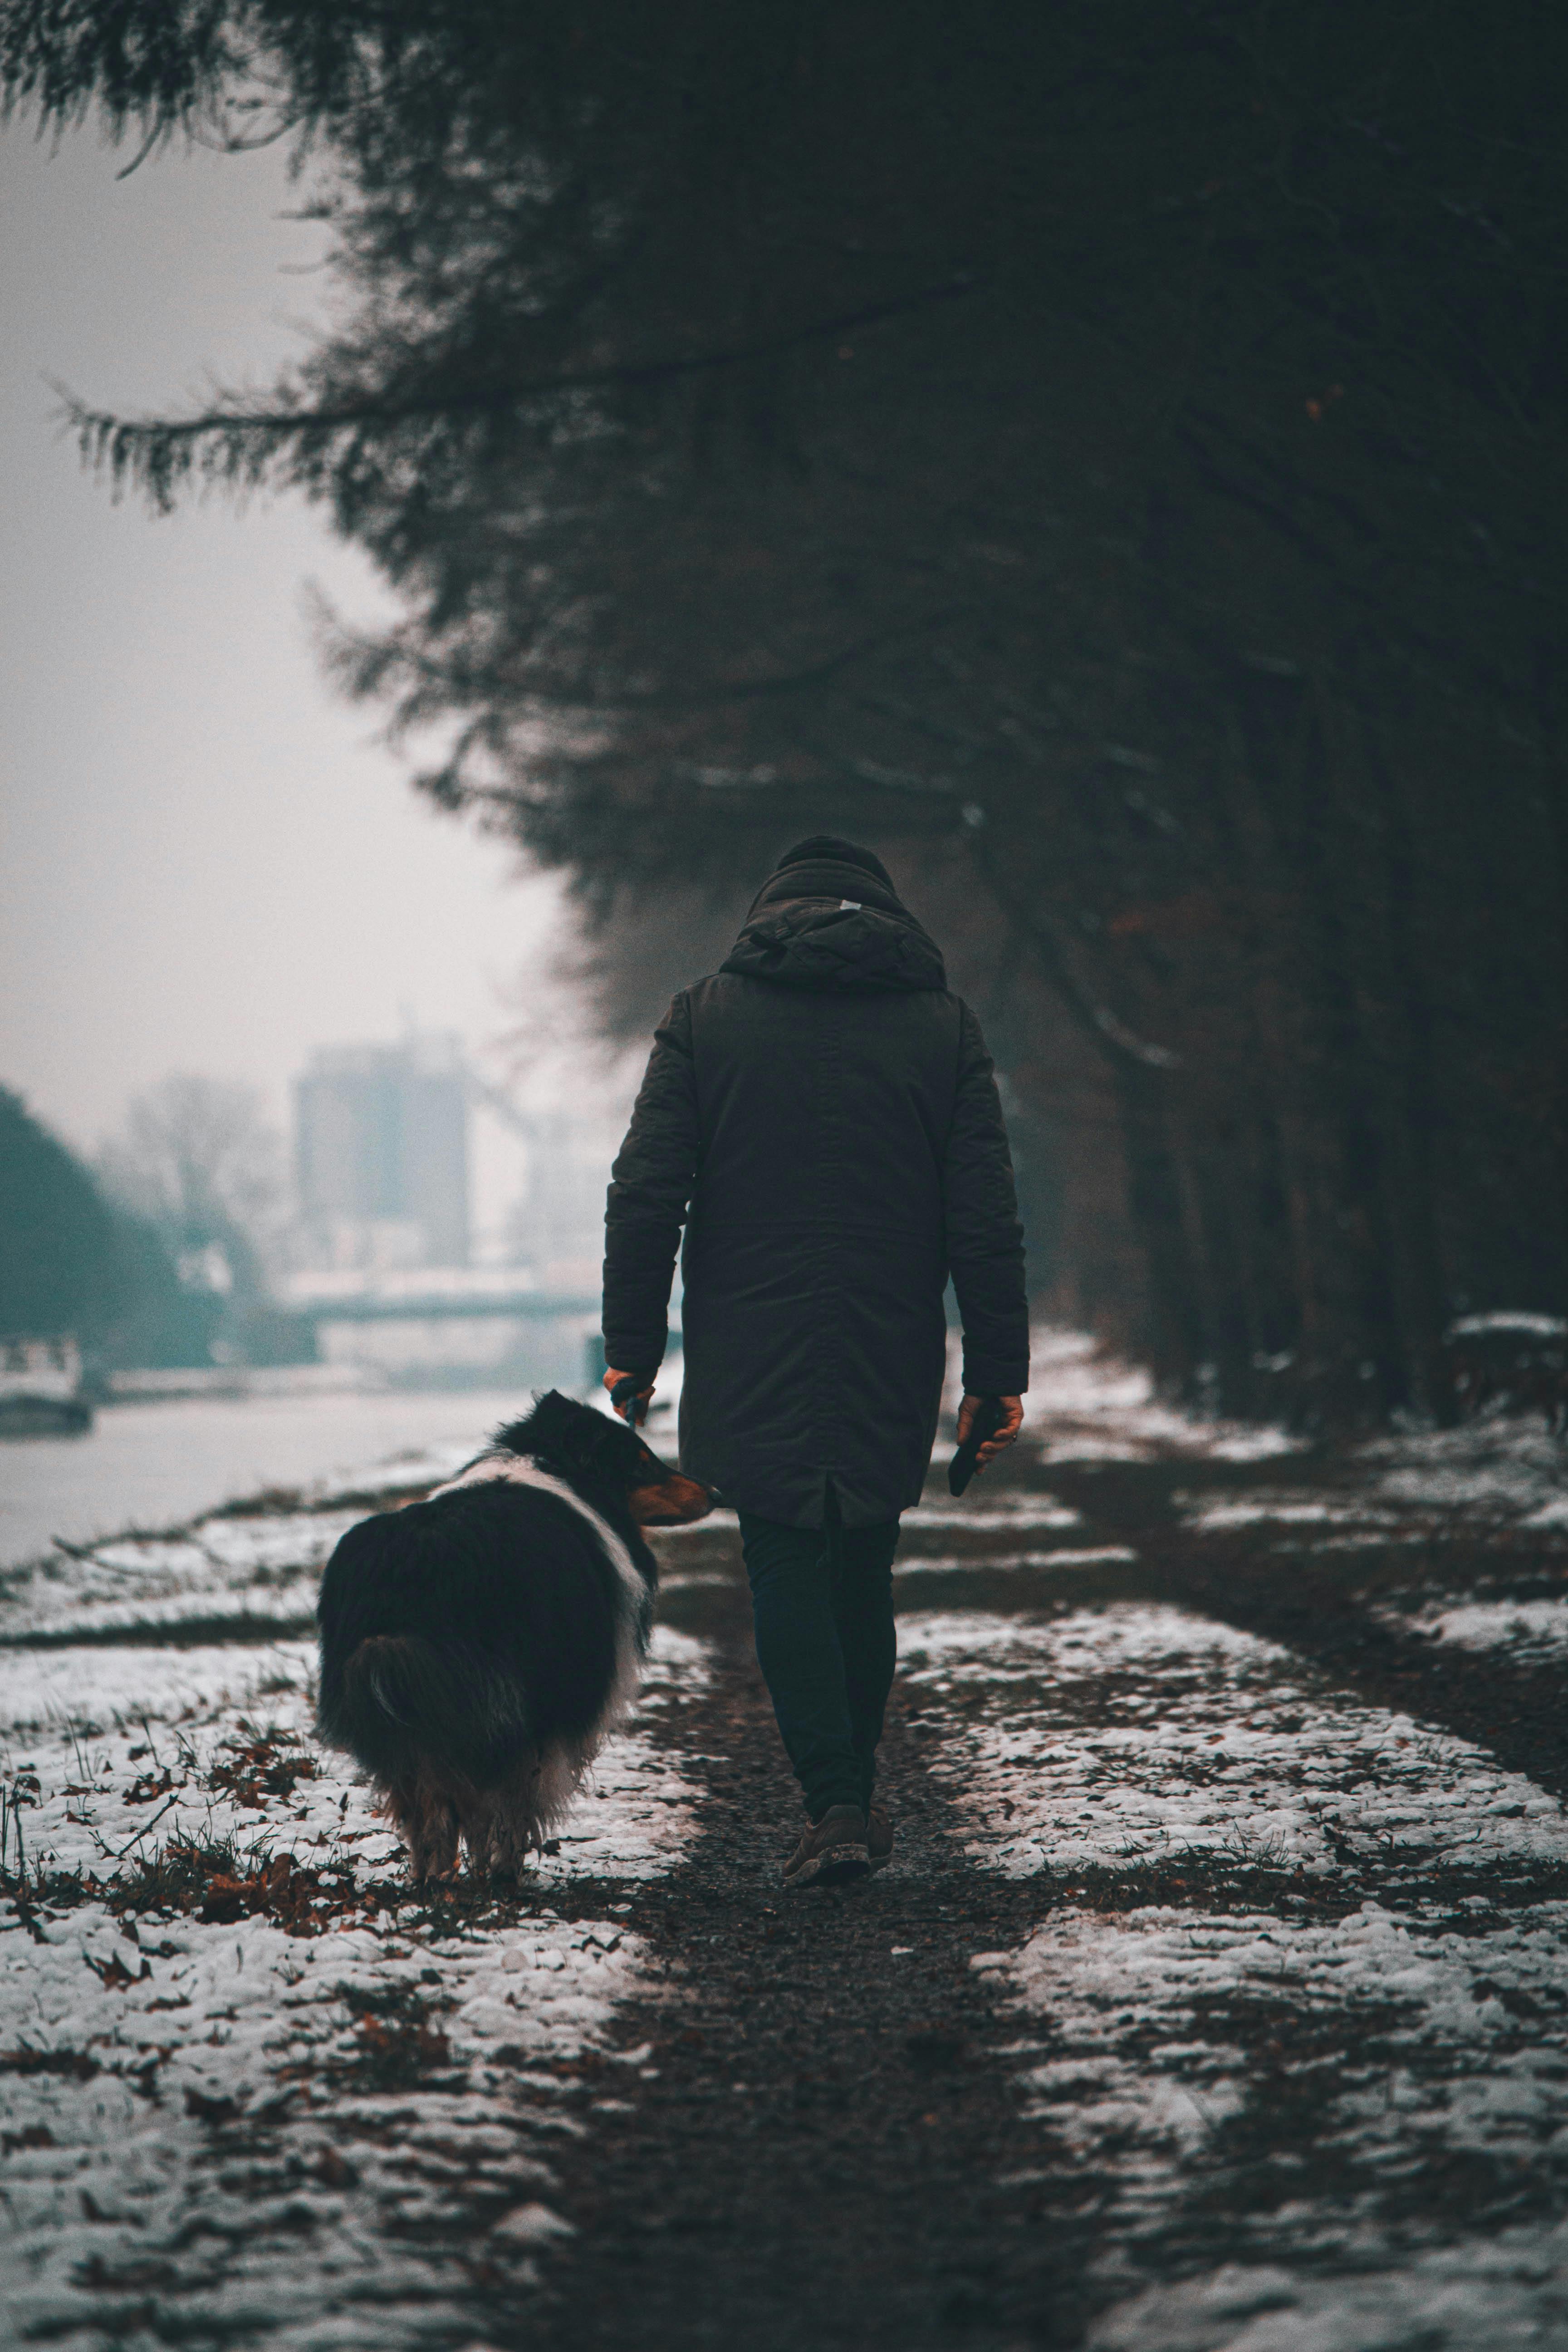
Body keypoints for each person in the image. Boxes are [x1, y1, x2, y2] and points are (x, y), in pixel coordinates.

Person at [600, 836, 1028, 1887]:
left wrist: (633, 1350)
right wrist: (996, 1374)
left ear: (767, 913)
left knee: (786, 1555)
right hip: (890, 1330)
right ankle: (851, 1790)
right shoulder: (945, 1028)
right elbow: (985, 1217)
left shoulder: (704, 1018)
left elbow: (647, 1191)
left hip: (750, 1335)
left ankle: (834, 1799)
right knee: (862, 1563)